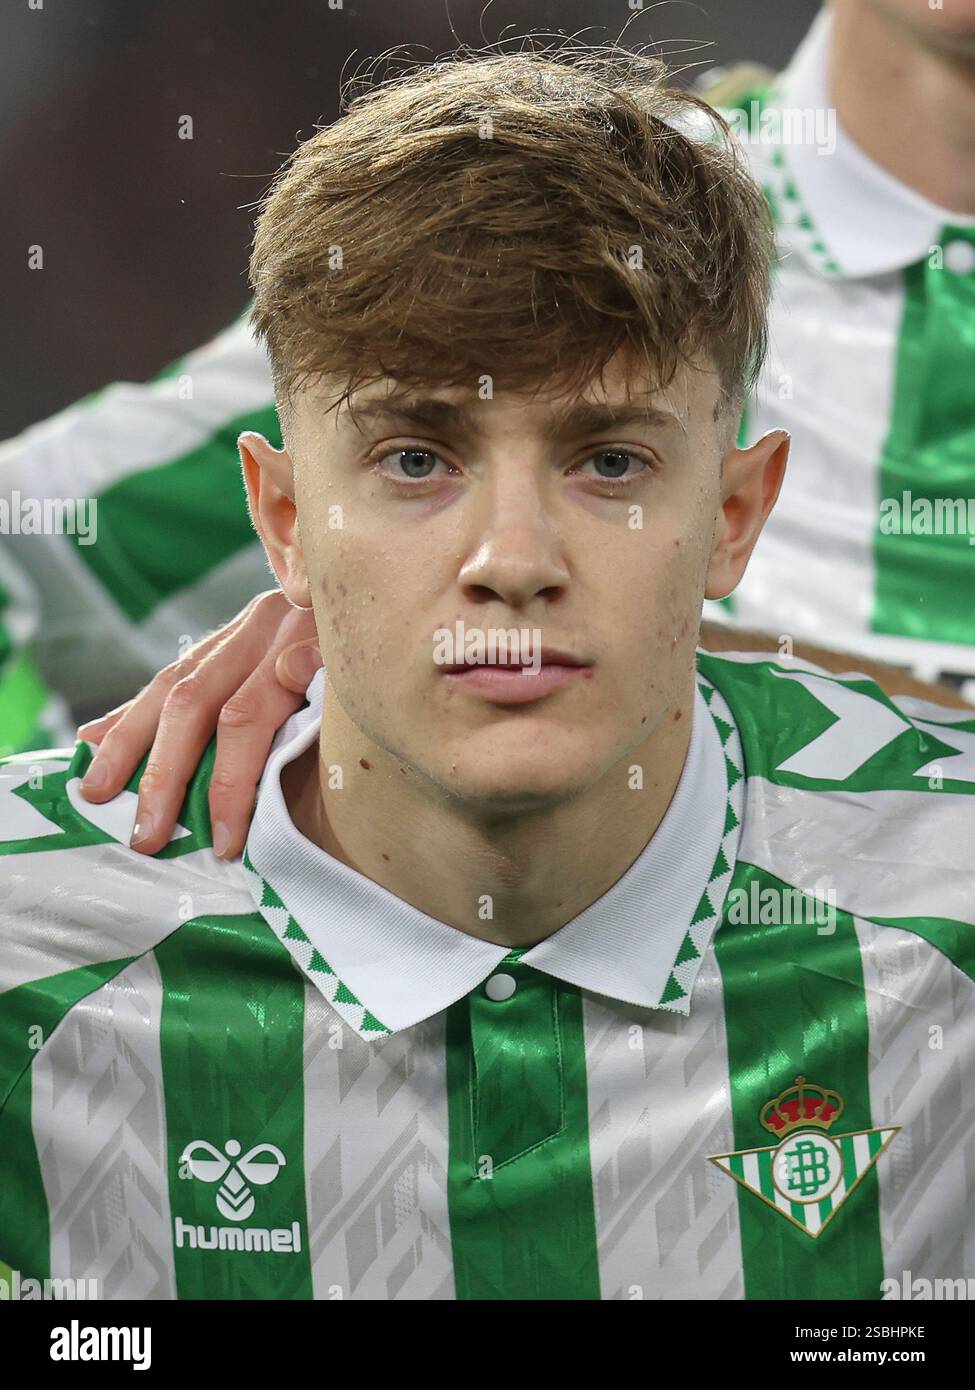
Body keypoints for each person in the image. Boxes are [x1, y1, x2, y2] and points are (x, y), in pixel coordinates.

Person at [1, 40, 973, 1302]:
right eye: (416, 462)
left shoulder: (935, 922)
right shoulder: (37, 959)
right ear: (281, 517)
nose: (512, 560)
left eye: (610, 463)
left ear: (738, 514)